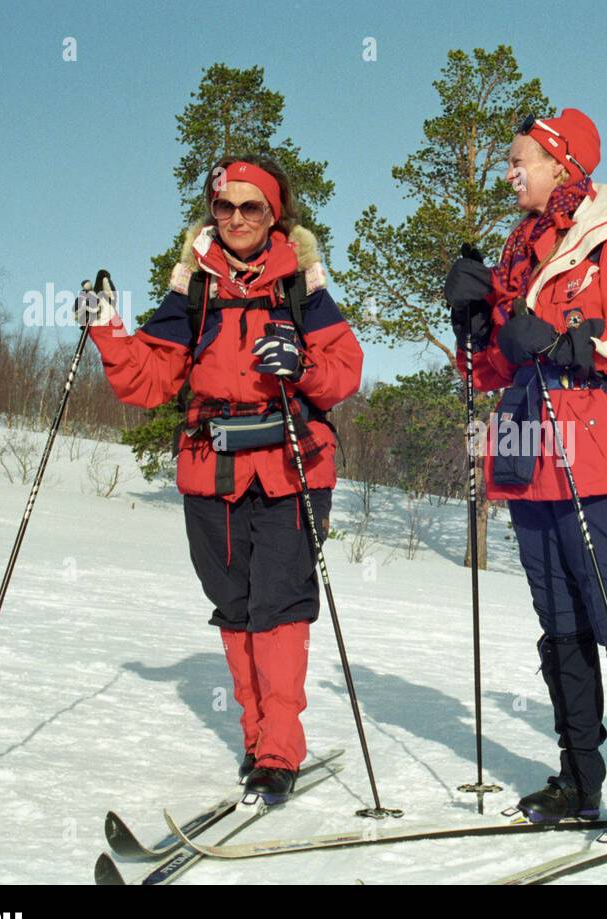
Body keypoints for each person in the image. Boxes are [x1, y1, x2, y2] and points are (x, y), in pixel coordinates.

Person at [82, 155, 362, 802]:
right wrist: (108, 329)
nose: (237, 218)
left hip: (294, 464)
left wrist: (300, 364)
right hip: (212, 467)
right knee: (234, 606)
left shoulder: (300, 288)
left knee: (279, 603)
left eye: (252, 206)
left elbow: (343, 369)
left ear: (275, 214)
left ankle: (278, 749)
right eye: (225, 206)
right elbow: (150, 382)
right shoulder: (195, 290)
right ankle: (255, 736)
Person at [445, 109, 607, 843]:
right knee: (562, 629)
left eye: (521, 159)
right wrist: (475, 325)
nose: (510, 171)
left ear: (561, 162)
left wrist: (572, 340)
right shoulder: (518, 255)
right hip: (527, 461)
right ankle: (581, 778)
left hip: (602, 460)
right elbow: (489, 371)